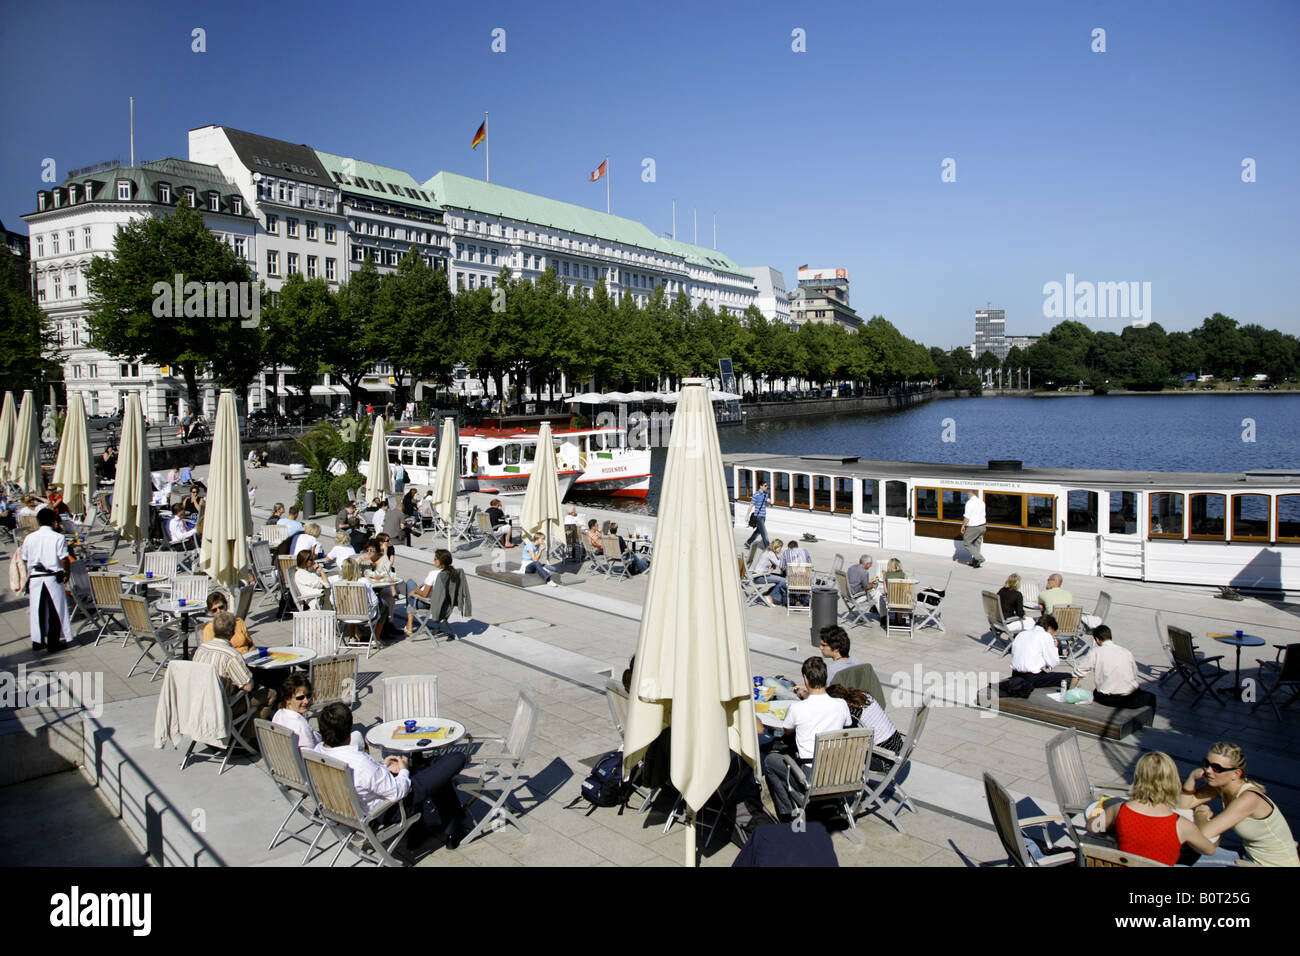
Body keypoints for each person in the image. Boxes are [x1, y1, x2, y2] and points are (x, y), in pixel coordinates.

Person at [317, 702, 471, 849]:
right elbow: (398, 792)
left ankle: (436, 830)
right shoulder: (358, 762)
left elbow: (365, 779)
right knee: (456, 758)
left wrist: (382, 766)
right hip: (391, 808)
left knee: (432, 769)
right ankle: (451, 829)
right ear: (348, 729)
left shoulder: (317, 753)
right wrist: (404, 769)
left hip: (359, 806)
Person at [1086, 751, 1221, 866]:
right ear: (1172, 781)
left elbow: (1092, 827)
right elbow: (1209, 850)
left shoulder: (1119, 809)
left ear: (1138, 777)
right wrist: (1200, 817)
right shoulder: (1181, 825)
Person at [1178, 742, 1299, 867]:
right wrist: (1192, 777)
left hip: (1272, 864)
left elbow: (1205, 834)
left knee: (1184, 862)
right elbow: (1184, 804)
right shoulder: (1221, 786)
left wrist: (1201, 814)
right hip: (1250, 857)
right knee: (1181, 857)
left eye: (1216, 768)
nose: (1208, 770)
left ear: (1236, 774)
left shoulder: (1248, 799)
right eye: (1206, 764)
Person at [759, 657, 850, 821]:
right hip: (838, 772)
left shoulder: (798, 708)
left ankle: (787, 814)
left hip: (810, 775)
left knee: (771, 761)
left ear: (806, 679)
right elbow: (847, 723)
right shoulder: (841, 704)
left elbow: (787, 731)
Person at [192, 611, 275, 721]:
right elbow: (248, 686)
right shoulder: (231, 655)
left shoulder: (201, 649)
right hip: (222, 705)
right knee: (271, 694)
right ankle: (248, 734)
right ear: (233, 632)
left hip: (199, 702)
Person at [1068, 625, 1156, 710]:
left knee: (1097, 691)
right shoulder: (1126, 652)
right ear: (1110, 637)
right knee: (1152, 697)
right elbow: (1134, 674)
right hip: (1129, 698)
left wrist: (1070, 692)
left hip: (1106, 699)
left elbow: (1078, 673)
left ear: (1097, 640)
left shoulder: (1095, 652)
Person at [21, 508, 72, 652]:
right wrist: (67, 573)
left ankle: (37, 641)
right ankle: (53, 642)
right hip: (52, 576)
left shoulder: (30, 537)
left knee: (37, 609)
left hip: (36, 576)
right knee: (55, 609)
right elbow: (64, 558)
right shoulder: (57, 537)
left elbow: (25, 558)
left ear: (38, 521)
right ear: (53, 521)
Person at [271, 675, 364, 751]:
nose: (306, 701)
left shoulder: (278, 715)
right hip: (316, 763)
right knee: (357, 737)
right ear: (287, 699)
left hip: (291, 762)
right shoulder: (300, 726)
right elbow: (312, 756)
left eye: (308, 696)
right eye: (300, 698)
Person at [825, 684, 904, 772]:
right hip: (899, 747)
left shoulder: (853, 711)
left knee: (841, 750)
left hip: (887, 760)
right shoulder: (863, 696)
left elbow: (848, 738)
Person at [1006, 613, 1068, 690]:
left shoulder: (1022, 633)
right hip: (1031, 677)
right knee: (1068, 677)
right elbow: (1053, 663)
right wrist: (1055, 648)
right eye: (1052, 632)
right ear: (1049, 628)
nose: (1052, 635)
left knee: (1045, 674)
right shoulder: (1045, 636)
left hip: (1015, 674)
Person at [426, 549, 471, 637]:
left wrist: (414, 591)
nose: (433, 560)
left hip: (432, 605)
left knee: (410, 587)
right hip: (448, 604)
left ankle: (409, 626)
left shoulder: (435, 574)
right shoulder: (455, 572)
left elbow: (425, 594)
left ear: (441, 561)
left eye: (435, 559)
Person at [750, 539, 787, 607]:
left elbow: (776, 564)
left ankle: (769, 593)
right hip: (760, 577)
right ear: (776, 546)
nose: (780, 550)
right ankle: (770, 596)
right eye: (780, 547)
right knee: (784, 580)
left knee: (782, 578)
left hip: (759, 575)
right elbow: (781, 565)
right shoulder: (771, 553)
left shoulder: (768, 551)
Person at [744, 480, 771, 553]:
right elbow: (751, 505)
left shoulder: (766, 494)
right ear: (761, 486)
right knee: (764, 533)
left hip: (763, 516)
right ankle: (768, 548)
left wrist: (768, 502)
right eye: (765, 486)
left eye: (767, 485)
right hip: (758, 517)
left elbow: (766, 505)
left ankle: (748, 542)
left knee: (758, 531)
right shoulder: (756, 495)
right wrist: (747, 516)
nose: (767, 487)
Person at [961, 491, 986, 568]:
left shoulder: (969, 503)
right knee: (977, 544)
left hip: (973, 527)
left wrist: (963, 526)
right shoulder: (981, 502)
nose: (967, 496)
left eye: (967, 495)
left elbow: (967, 516)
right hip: (982, 526)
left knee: (966, 542)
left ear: (969, 494)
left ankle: (980, 558)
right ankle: (976, 563)